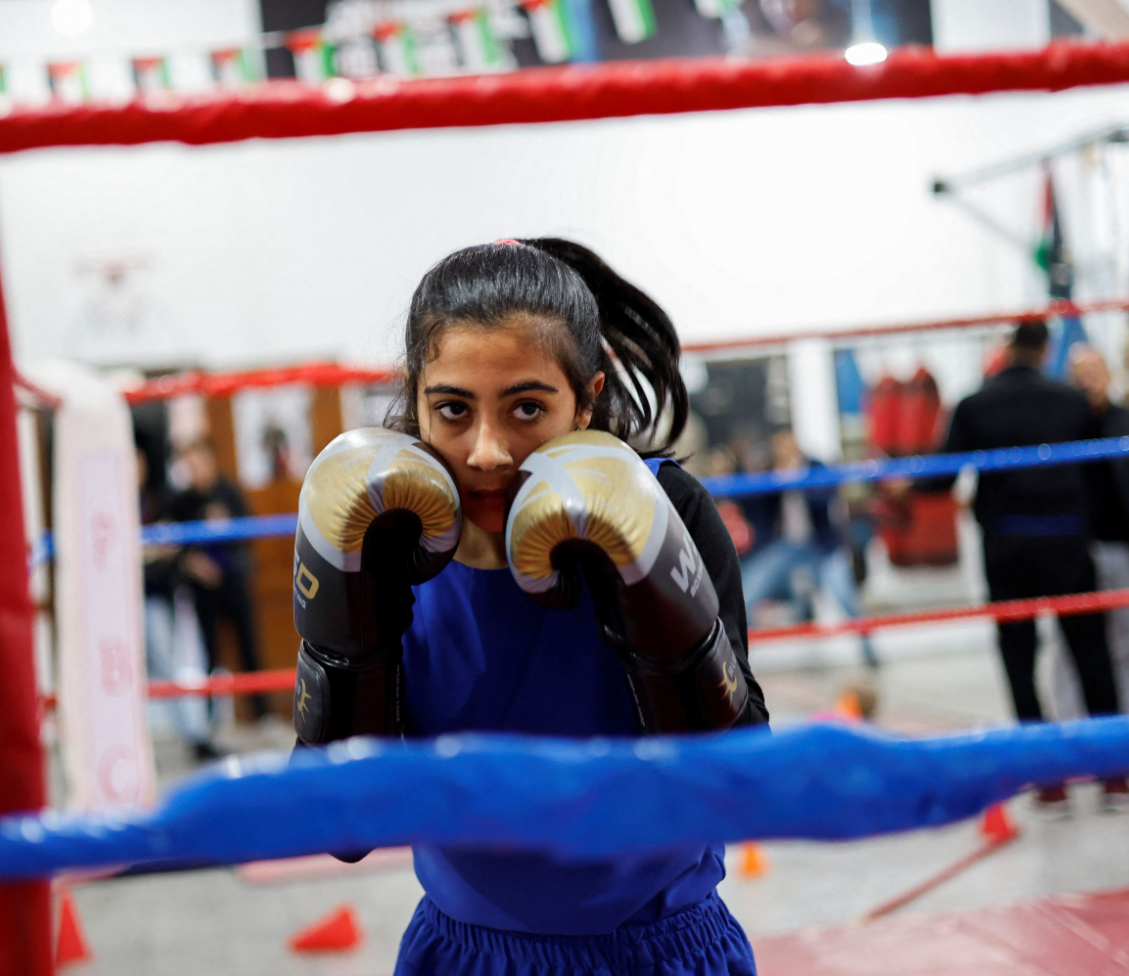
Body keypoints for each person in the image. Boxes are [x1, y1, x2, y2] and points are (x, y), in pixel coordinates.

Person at [291, 239, 768, 975]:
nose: (487, 451)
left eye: (527, 407)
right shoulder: (379, 536)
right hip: (464, 954)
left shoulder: (666, 507)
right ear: (415, 399)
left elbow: (738, 787)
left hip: (659, 950)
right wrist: (351, 642)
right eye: (453, 408)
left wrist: (649, 594)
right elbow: (343, 825)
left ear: (586, 397)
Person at [917, 320, 1125, 812]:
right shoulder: (1071, 402)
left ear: (1007, 348)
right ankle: (1114, 775)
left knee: (1019, 656)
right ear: (1046, 349)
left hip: (1008, 545)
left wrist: (902, 487)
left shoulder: (975, 404)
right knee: (1091, 652)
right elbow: (1100, 474)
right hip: (1067, 544)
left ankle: (1046, 779)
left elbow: (941, 479)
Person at [1048, 345, 1129, 730]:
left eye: (1094, 372)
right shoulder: (1062, 429)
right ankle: (1069, 732)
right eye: (1079, 374)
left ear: (1109, 375)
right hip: (1077, 551)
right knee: (1069, 645)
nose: (1088, 381)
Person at [738, 427, 877, 668]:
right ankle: (738, 660)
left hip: (822, 548)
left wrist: (796, 478)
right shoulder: (771, 469)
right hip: (786, 547)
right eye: (778, 445)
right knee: (748, 592)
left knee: (845, 597)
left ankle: (869, 652)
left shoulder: (816, 467)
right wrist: (764, 477)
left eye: (786, 444)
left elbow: (826, 498)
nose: (782, 450)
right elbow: (756, 510)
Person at [171, 437, 270, 721]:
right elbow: (174, 547)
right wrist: (192, 563)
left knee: (249, 647)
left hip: (234, 582)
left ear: (210, 460)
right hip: (203, 590)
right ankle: (211, 719)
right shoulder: (182, 502)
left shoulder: (229, 492)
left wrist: (227, 527)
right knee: (208, 654)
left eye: (199, 461)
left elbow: (250, 531)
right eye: (189, 464)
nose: (195, 468)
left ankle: (261, 714)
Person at [135, 446, 220, 762]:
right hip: (129, 596)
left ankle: (196, 737)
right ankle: (194, 737)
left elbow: (173, 543)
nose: (136, 466)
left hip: (157, 593)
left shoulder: (157, 499)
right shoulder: (114, 500)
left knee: (170, 666)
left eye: (139, 459)